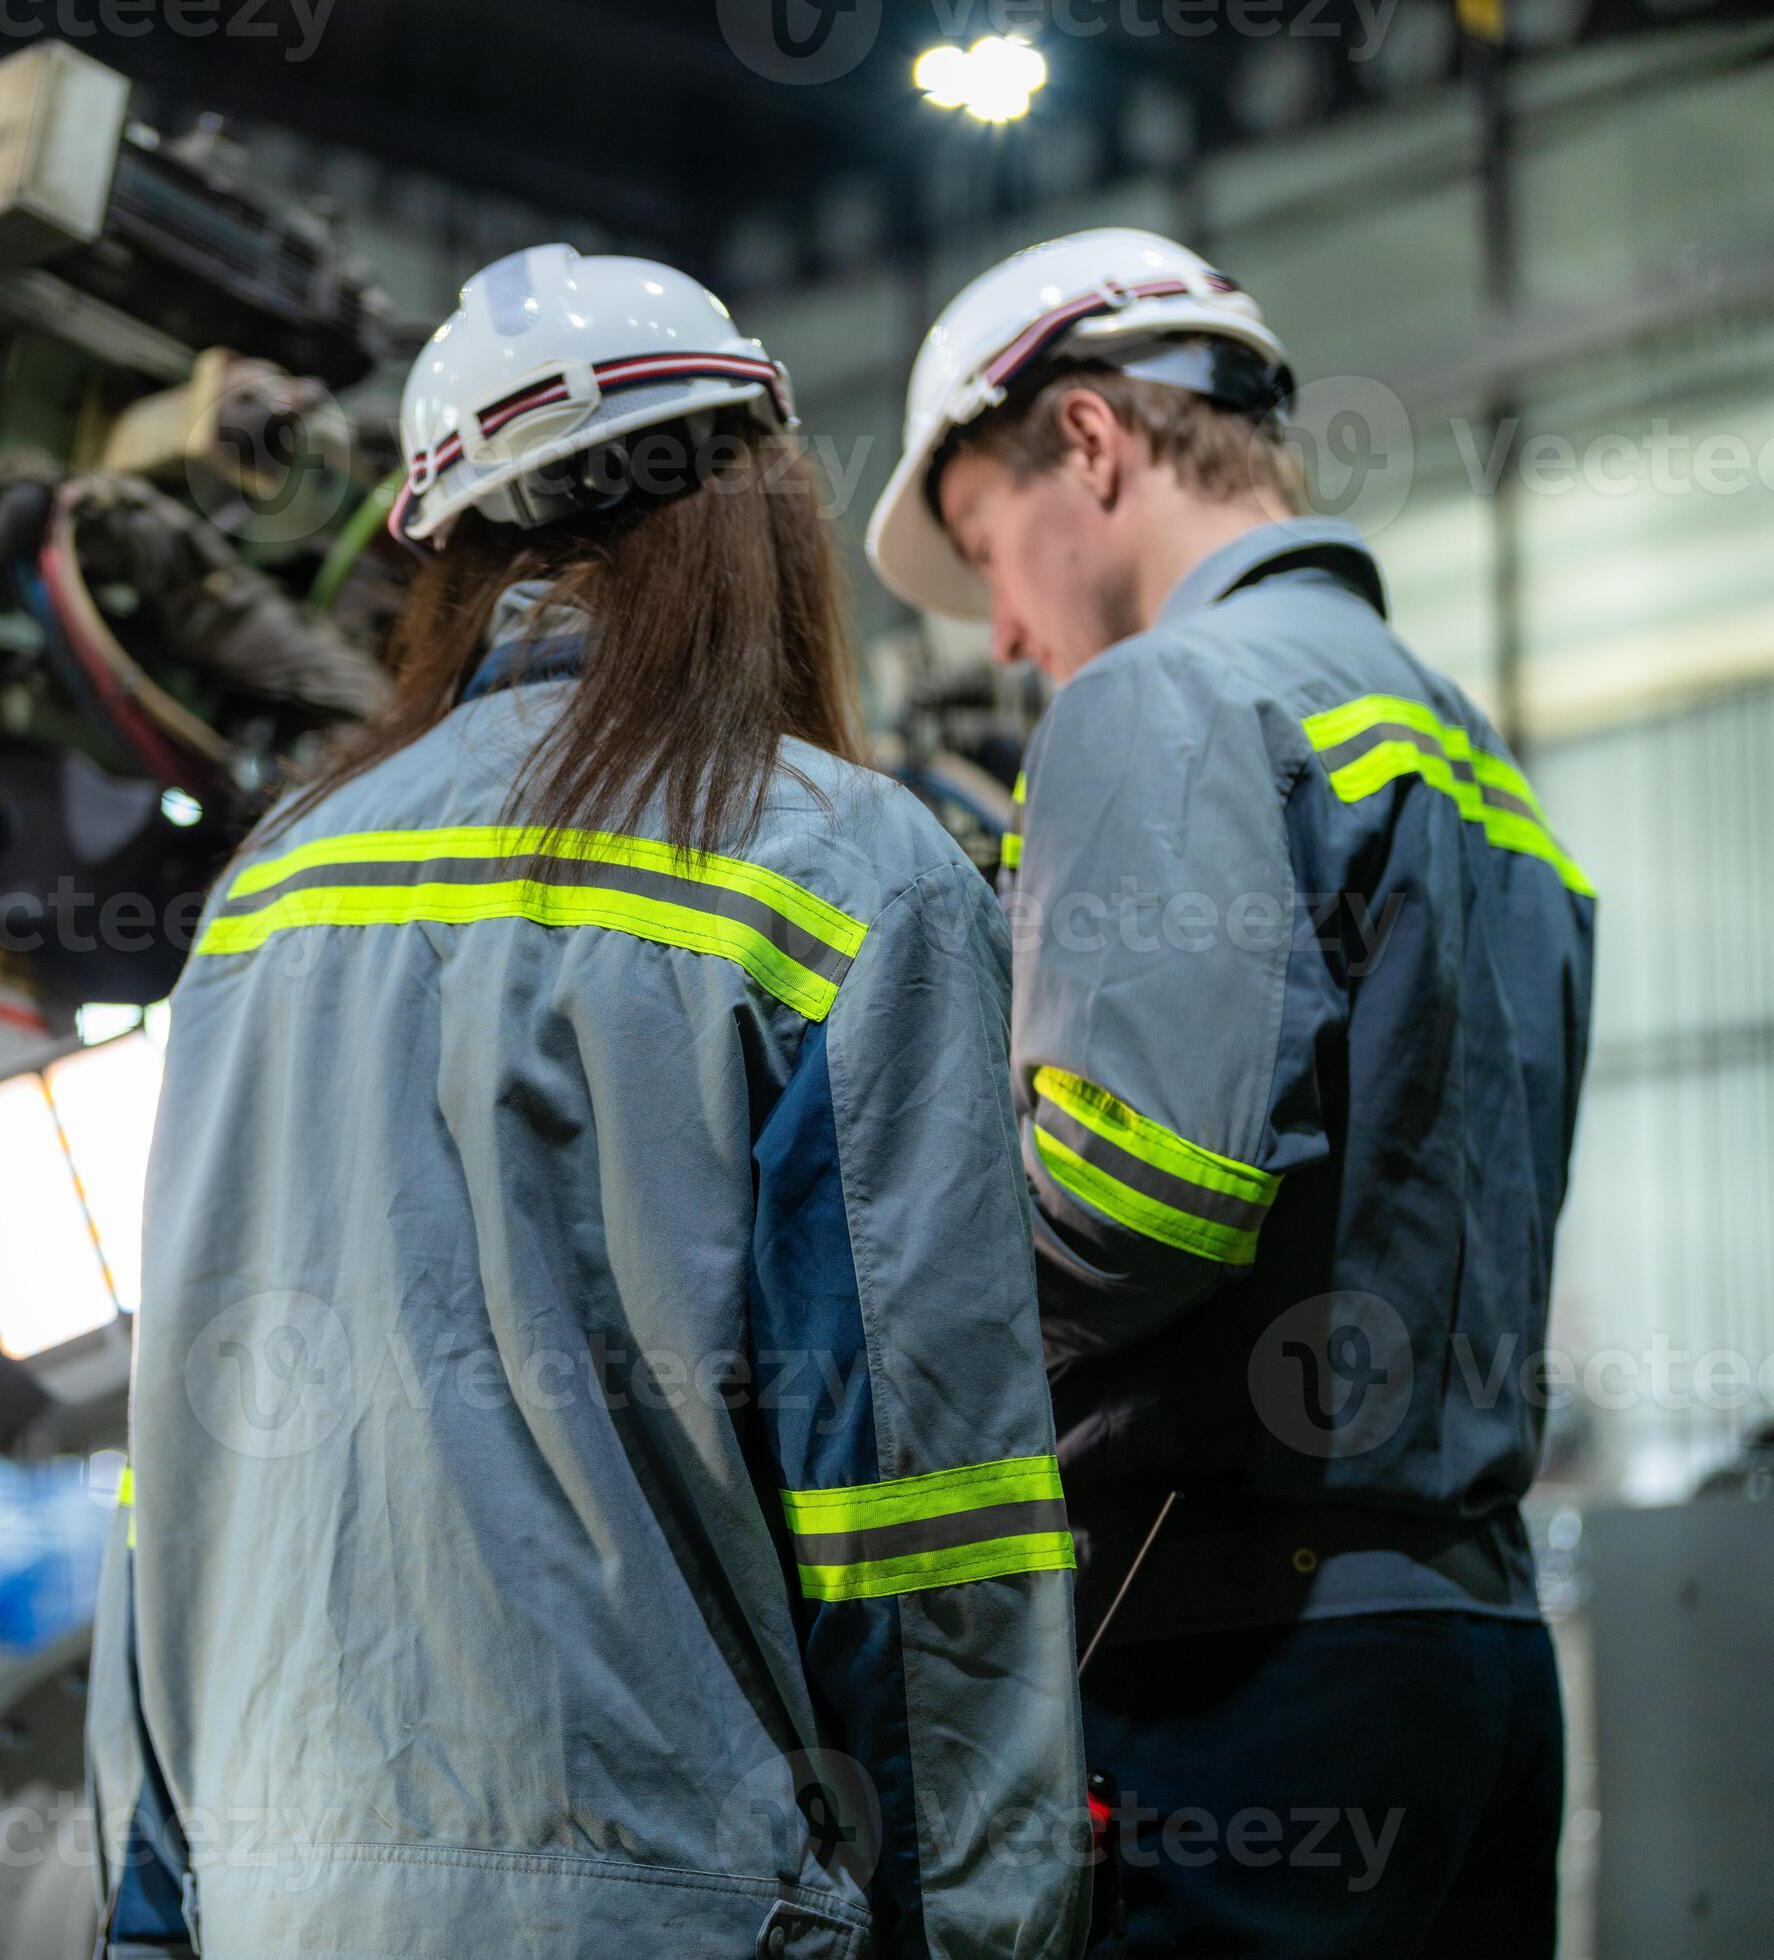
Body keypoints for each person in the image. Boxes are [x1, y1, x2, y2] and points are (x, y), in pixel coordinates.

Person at [86, 243, 1090, 1960]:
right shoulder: (839, 875)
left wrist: (155, 1918)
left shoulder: (270, 897)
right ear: (756, 510)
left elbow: (170, 1483)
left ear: (453, 549)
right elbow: (921, 1530)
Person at [865, 227, 1596, 1956]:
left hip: (1247, 1672)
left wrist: (860, 1304)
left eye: (989, 557)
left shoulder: (1165, 701)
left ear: (1095, 447)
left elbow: (1138, 1200)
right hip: (1476, 1659)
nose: (1015, 632)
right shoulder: (1466, 749)